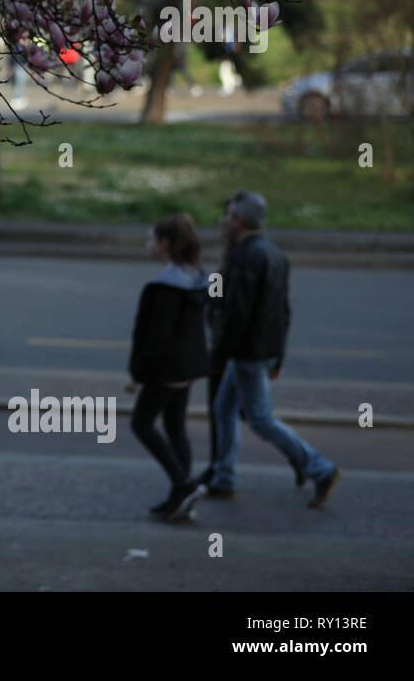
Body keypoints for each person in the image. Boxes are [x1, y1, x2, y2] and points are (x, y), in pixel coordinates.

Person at [202, 190, 341, 507]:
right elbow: (282, 312)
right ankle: (224, 477)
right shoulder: (275, 255)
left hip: (246, 353)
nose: (223, 221)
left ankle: (320, 468)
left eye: (227, 216)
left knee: (261, 419)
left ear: (237, 221)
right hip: (261, 350)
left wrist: (219, 355)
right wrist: (278, 357)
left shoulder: (244, 258)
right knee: (224, 410)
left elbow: (237, 314)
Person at [126, 214, 210, 521]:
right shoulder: (196, 278)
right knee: (175, 426)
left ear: (166, 244)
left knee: (142, 424)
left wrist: (138, 373)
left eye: (151, 239)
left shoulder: (164, 287)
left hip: (166, 370)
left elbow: (155, 336)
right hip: (187, 368)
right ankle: (180, 496)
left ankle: (183, 485)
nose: (147, 244)